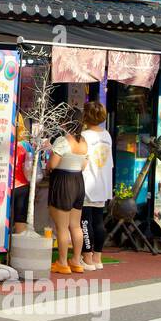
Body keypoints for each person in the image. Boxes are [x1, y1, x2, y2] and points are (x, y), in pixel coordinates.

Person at [47, 107, 89, 274]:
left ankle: (62, 262)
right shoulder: (83, 142)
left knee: (62, 227)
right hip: (78, 181)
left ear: (67, 122)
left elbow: (52, 165)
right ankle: (76, 261)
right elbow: (84, 165)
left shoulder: (63, 141)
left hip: (63, 182)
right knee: (75, 226)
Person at [80, 100, 113, 271]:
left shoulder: (85, 136)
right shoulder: (107, 135)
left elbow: (82, 162)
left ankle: (87, 258)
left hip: (87, 183)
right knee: (98, 222)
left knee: (85, 222)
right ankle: (97, 257)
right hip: (103, 183)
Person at [11, 114, 35, 234]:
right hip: (23, 186)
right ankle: (17, 247)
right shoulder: (26, 145)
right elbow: (35, 167)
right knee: (20, 218)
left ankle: (2, 246)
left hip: (2, 186)